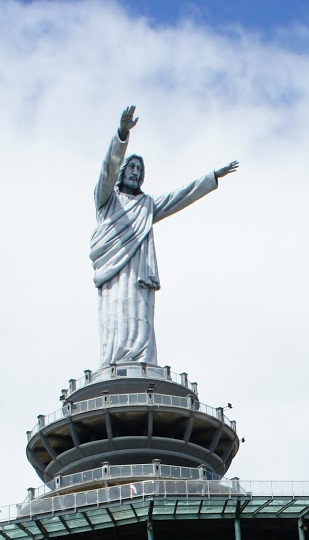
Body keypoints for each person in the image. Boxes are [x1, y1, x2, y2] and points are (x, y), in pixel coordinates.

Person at [91, 105, 238, 365]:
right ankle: (116, 362)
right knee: (117, 313)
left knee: (139, 313)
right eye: (131, 168)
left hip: (138, 274)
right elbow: (107, 170)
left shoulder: (147, 206)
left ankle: (142, 361)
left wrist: (211, 177)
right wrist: (122, 135)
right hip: (113, 275)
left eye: (140, 170)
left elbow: (181, 196)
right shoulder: (107, 201)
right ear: (123, 171)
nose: (136, 173)